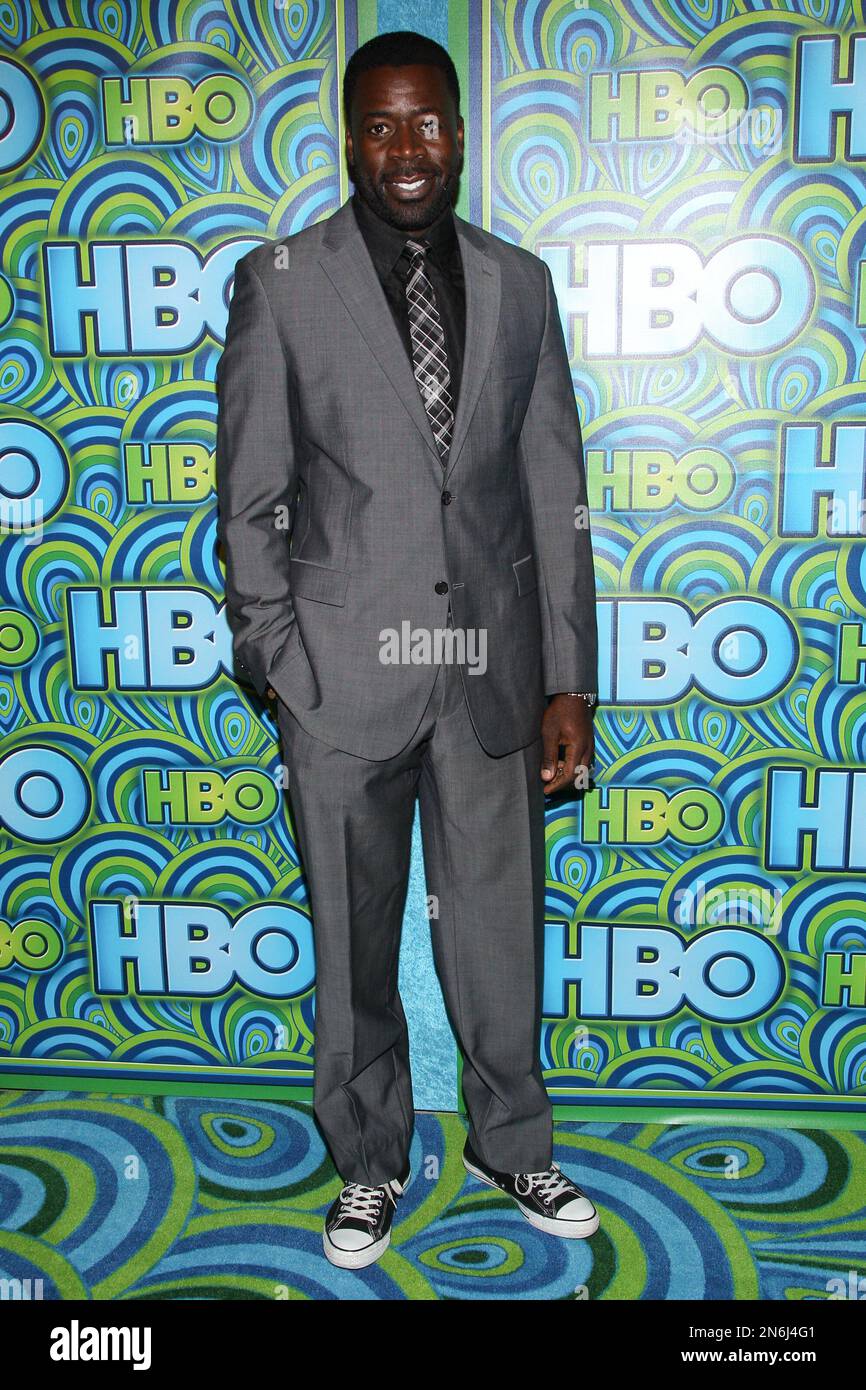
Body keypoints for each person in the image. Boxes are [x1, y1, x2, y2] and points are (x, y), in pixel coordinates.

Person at [215, 30, 600, 1270]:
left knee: (495, 928)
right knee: (352, 938)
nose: (406, 150)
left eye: (426, 122)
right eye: (381, 126)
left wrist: (564, 680)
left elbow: (553, 488)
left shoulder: (519, 282)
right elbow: (249, 496)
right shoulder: (284, 282)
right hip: (342, 678)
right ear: (348, 134)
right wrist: (279, 661)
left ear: (457, 130)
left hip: (484, 671)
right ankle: (368, 1162)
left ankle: (512, 1141)